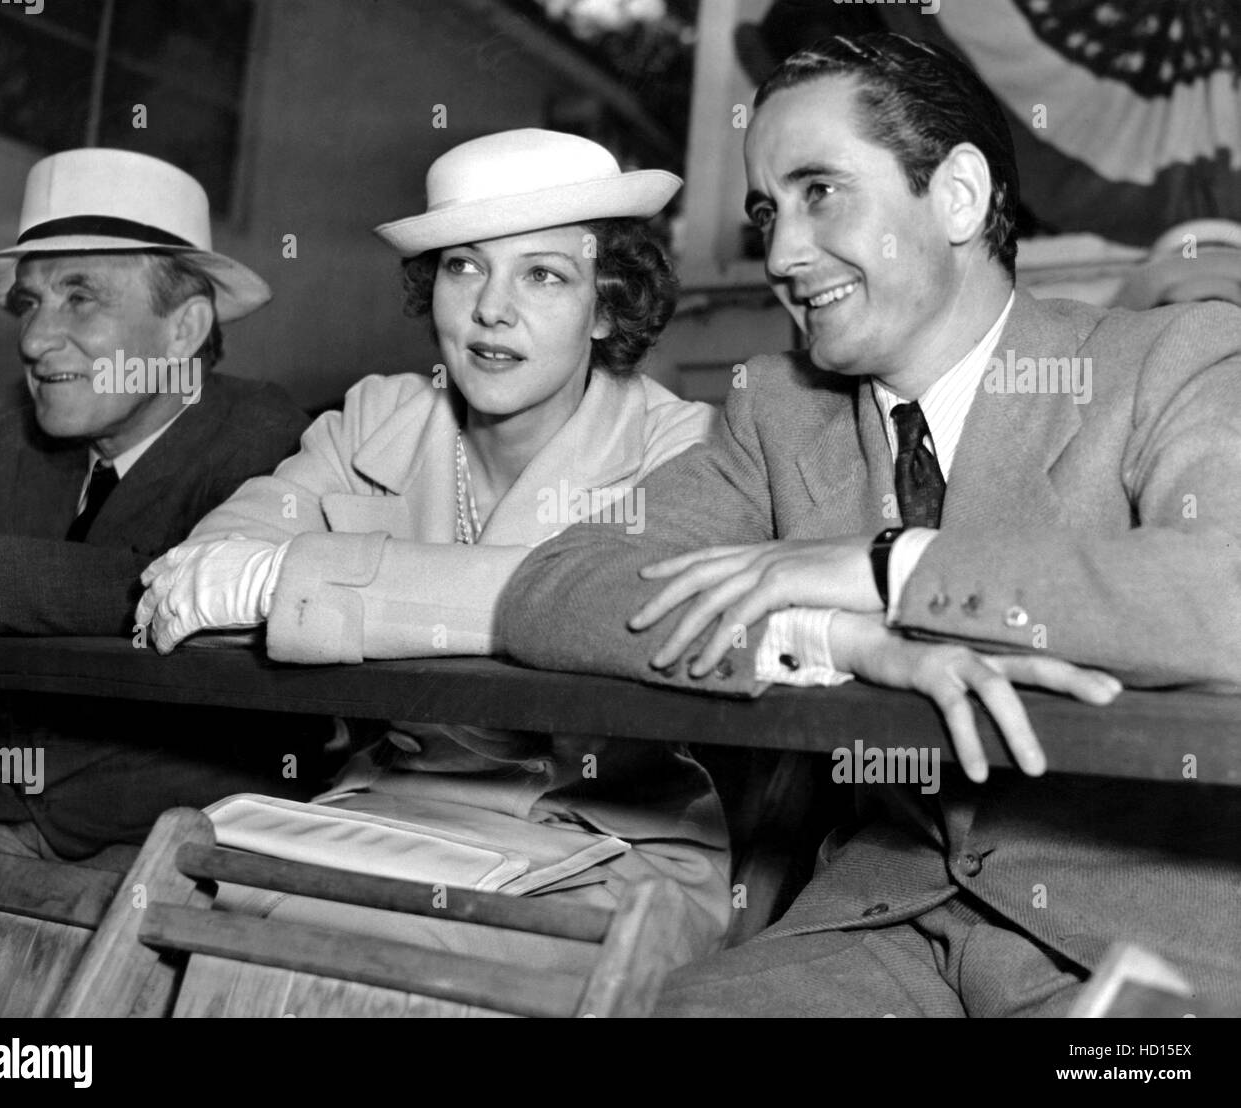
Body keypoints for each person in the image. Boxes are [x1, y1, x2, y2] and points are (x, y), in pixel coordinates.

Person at [498, 34, 1241, 1016]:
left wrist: (893, 570)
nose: (780, 255)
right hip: (872, 928)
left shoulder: (1173, 355)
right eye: (766, 211)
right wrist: (824, 632)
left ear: (960, 198)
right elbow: (551, 588)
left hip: (1127, 954)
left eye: (819, 191)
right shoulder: (776, 408)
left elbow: (1224, 592)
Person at [137, 129, 731, 974]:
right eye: (464, 266)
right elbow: (203, 570)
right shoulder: (378, 416)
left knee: (338, 945)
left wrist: (293, 581)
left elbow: (608, 601)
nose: (492, 307)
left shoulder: (684, 446)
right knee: (176, 902)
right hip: (384, 811)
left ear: (608, 304)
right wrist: (265, 576)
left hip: (610, 843)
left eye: (544, 274)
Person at [0, 148, 318, 861]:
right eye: (31, 301)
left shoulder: (264, 437)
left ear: (183, 331)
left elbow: (185, 597)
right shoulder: (18, 441)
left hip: (157, 838)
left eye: (80, 297)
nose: (33, 337)